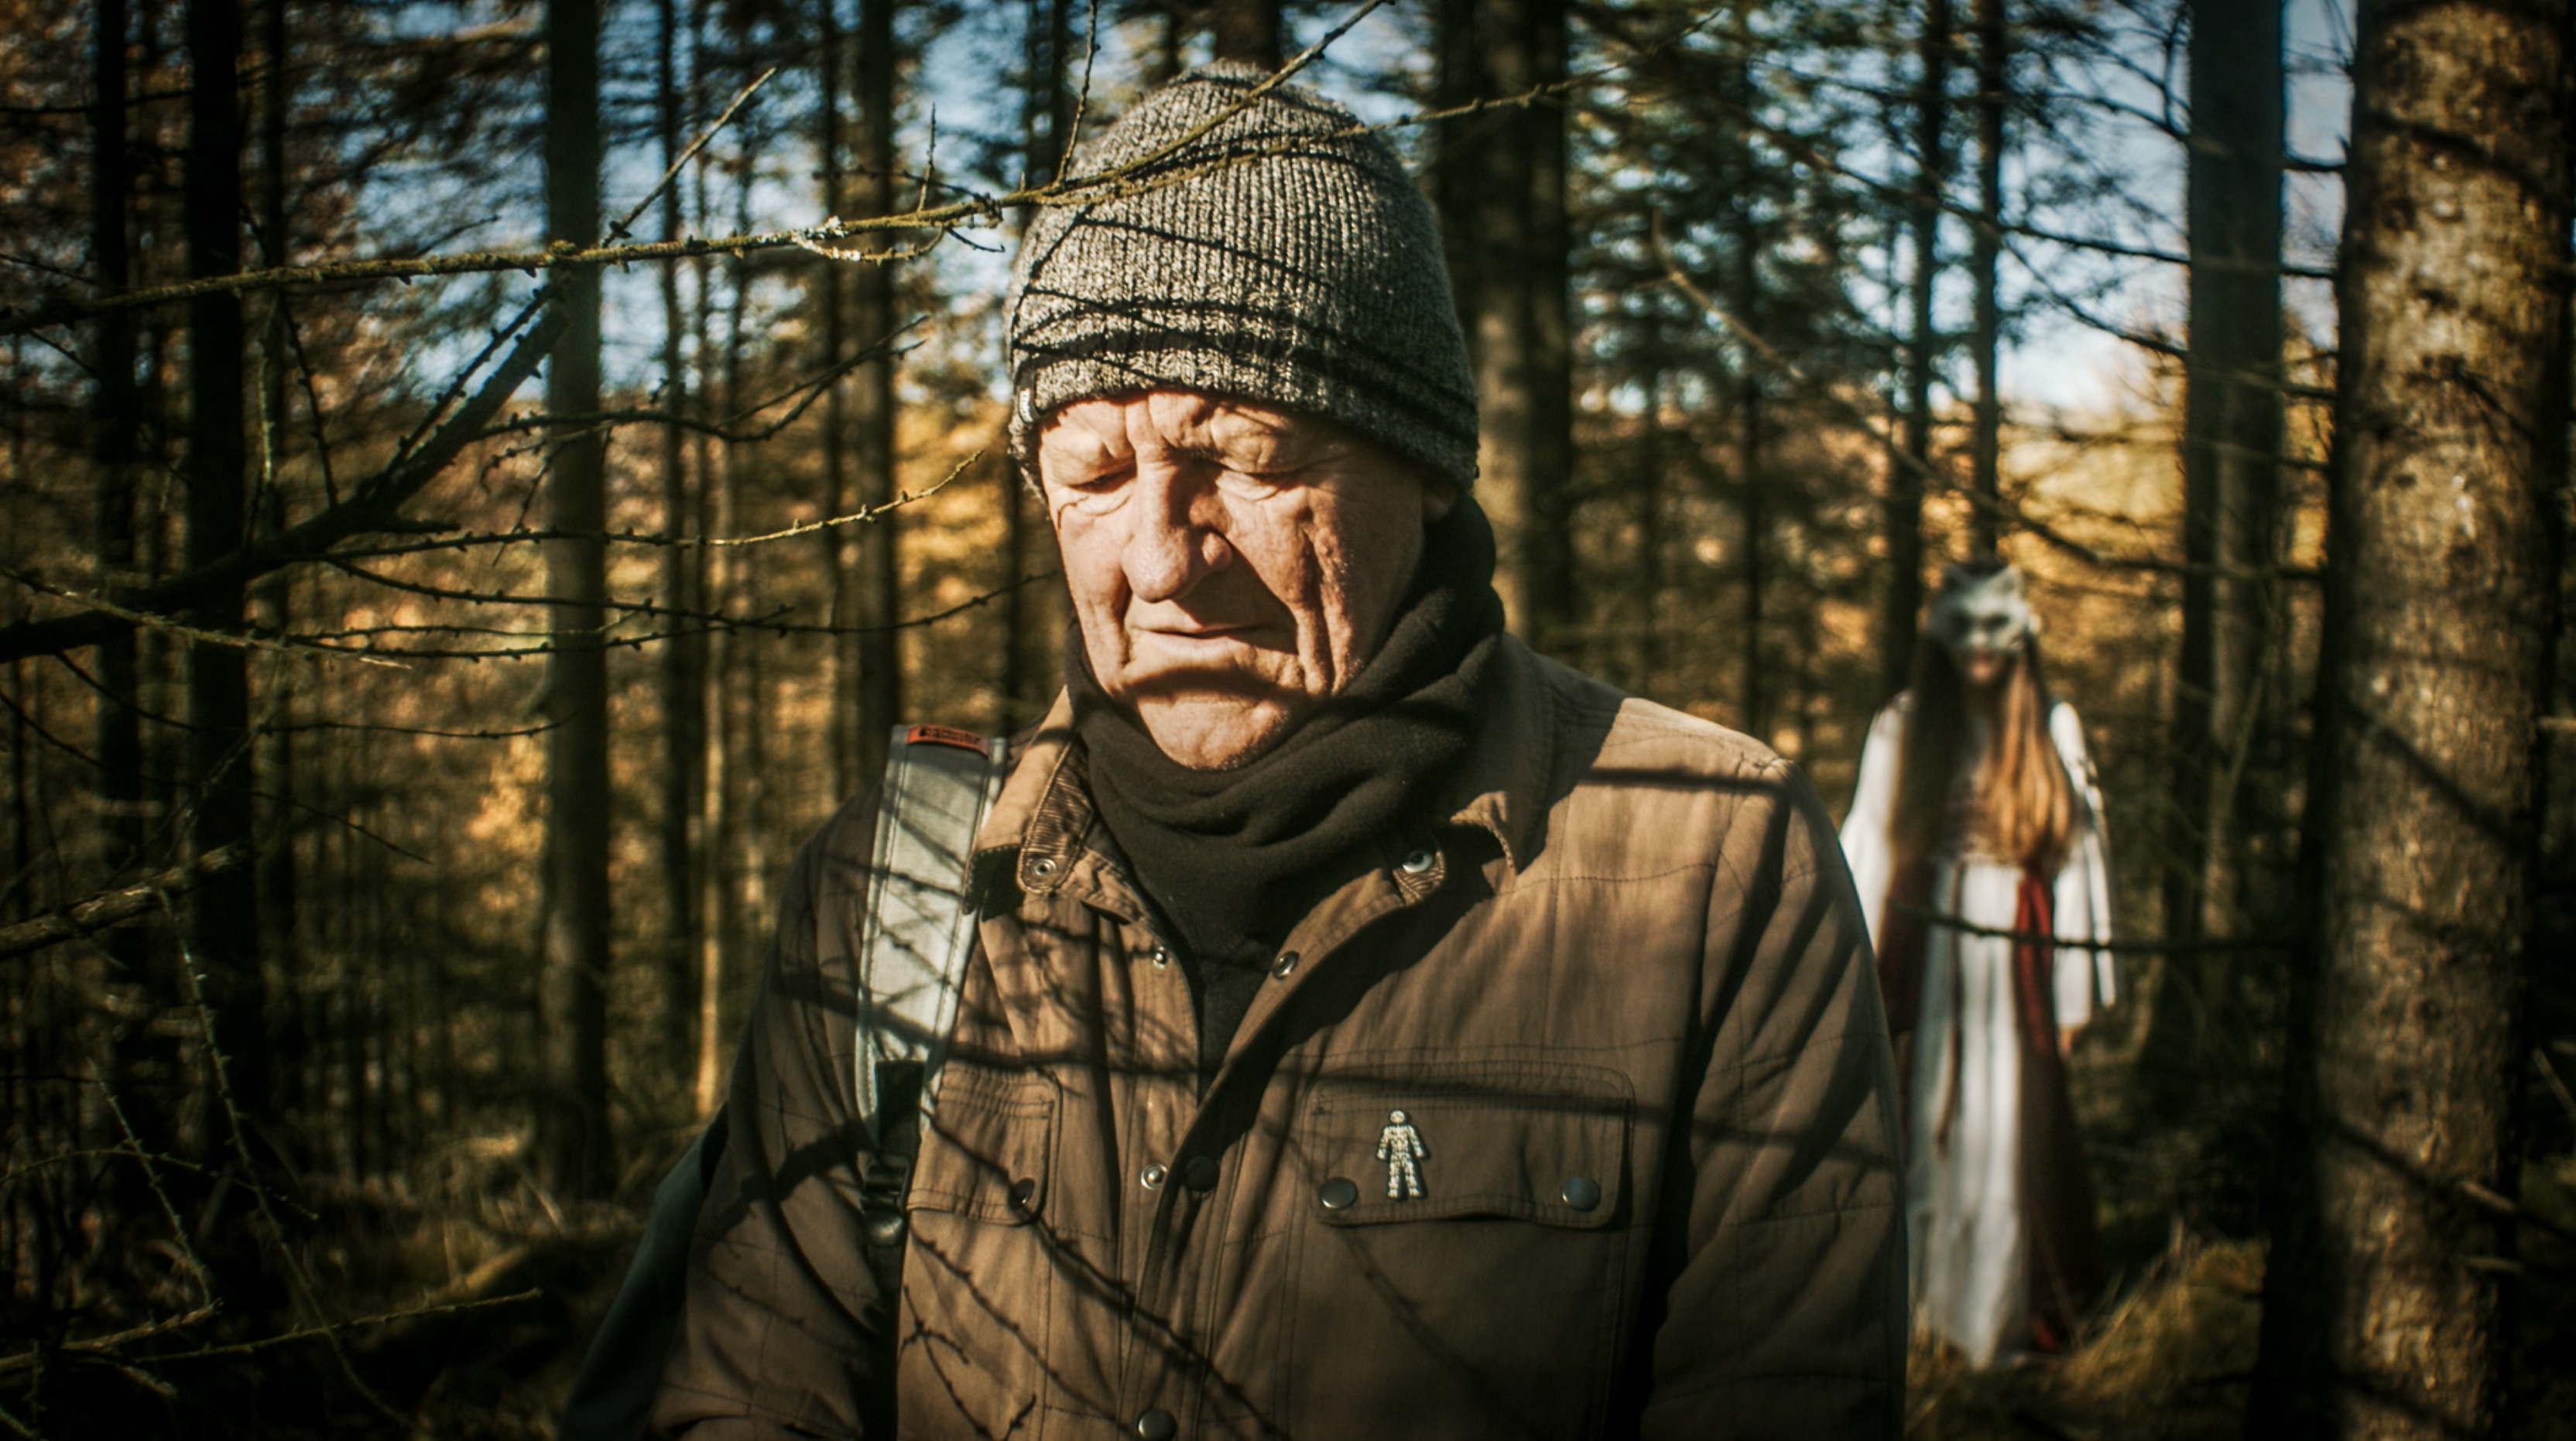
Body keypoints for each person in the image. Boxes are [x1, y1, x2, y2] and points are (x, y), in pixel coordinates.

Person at [646, 63, 1904, 1439]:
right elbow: (748, 1396)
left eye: (1237, 457)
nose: (1159, 558)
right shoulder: (899, 889)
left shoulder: (1710, 862)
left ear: (1423, 466)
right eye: (1094, 477)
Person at [1838, 558, 2115, 1367]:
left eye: (1997, 632)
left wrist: (2072, 991)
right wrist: (1850, 965)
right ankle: (1920, 1315)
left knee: (2008, 1133)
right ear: (1937, 636)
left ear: (2022, 636)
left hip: (2017, 952)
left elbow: (2078, 859)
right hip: (1925, 948)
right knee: (1923, 1122)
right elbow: (1868, 841)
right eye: (1962, 633)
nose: (1980, 651)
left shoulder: (2052, 726)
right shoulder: (1903, 723)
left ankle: (1999, 1319)